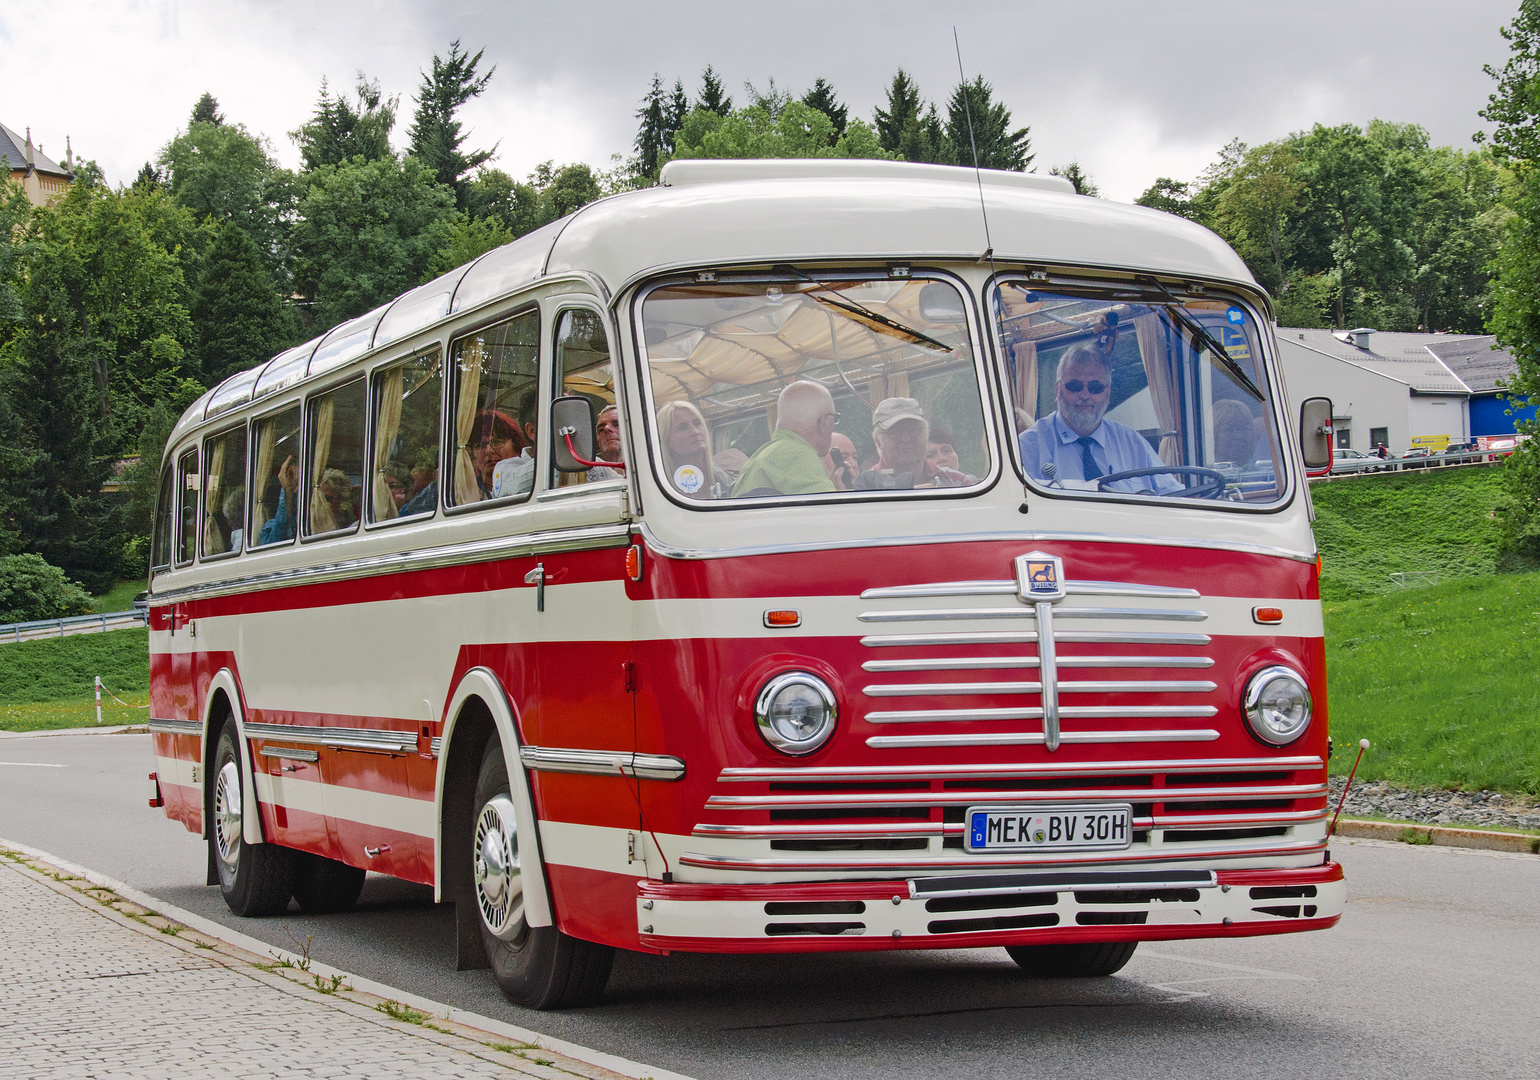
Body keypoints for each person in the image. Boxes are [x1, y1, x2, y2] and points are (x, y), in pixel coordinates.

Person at [1017, 344, 1179, 494]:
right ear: (1057, 390)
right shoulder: (1027, 447)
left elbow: (1174, 496)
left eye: (1095, 387)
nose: (1085, 395)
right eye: (1075, 386)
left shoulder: (1133, 443)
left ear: (1108, 392)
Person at [732, 381, 838, 497]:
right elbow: (831, 507)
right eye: (835, 418)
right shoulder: (798, 456)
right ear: (824, 422)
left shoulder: (756, 459)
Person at [855, 398, 975, 489]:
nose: (906, 438)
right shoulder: (866, 486)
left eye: (913, 430)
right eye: (895, 432)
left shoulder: (957, 482)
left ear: (925, 436)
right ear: (878, 442)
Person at [467, 407, 532, 501]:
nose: (489, 451)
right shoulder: (464, 494)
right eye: (480, 445)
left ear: (516, 444)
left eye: (497, 442)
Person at [656, 400, 716, 499]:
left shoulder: (727, 482)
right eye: (682, 427)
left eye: (697, 423)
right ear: (666, 441)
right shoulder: (659, 490)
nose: (695, 432)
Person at [257, 454, 300, 545]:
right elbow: (273, 546)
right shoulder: (268, 528)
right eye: (295, 484)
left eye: (301, 484)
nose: (296, 490)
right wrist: (287, 492)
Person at [587, 404, 625, 483]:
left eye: (617, 424)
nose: (606, 428)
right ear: (598, 440)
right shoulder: (588, 468)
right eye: (601, 429)